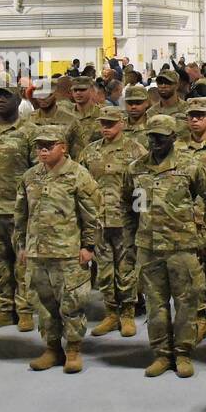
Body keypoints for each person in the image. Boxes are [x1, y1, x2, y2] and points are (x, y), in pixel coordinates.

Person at [122, 115, 206, 378]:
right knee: (156, 305)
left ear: (174, 138)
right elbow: (127, 206)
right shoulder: (135, 169)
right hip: (148, 248)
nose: (154, 142)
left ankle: (184, 353)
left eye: (161, 137)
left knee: (187, 303)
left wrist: (204, 234)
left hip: (182, 248)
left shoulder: (190, 166)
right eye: (151, 136)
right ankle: (162, 354)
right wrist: (131, 239)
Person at [15, 127, 101, 373]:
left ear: (63, 147)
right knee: (43, 305)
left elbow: (92, 214)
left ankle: (73, 349)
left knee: (72, 303)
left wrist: (89, 246)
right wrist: (21, 245)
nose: (43, 150)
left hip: (68, 252)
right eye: (39, 146)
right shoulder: (30, 177)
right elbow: (21, 214)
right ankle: (52, 348)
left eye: (49, 145)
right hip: (37, 252)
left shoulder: (78, 175)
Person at [0, 80, 39, 331]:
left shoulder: (29, 131)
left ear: (18, 99)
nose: (0, 99)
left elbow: (37, 173)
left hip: (19, 210)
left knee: (23, 264)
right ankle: (5, 308)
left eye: (6, 95)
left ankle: (24, 310)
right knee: (0, 264)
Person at [78, 106, 146, 338]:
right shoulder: (89, 152)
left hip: (125, 220)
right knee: (104, 270)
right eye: (103, 124)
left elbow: (143, 188)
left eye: (110, 123)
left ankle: (128, 312)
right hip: (99, 220)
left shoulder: (136, 151)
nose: (105, 128)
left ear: (122, 123)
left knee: (126, 268)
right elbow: (81, 187)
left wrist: (143, 218)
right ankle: (111, 312)